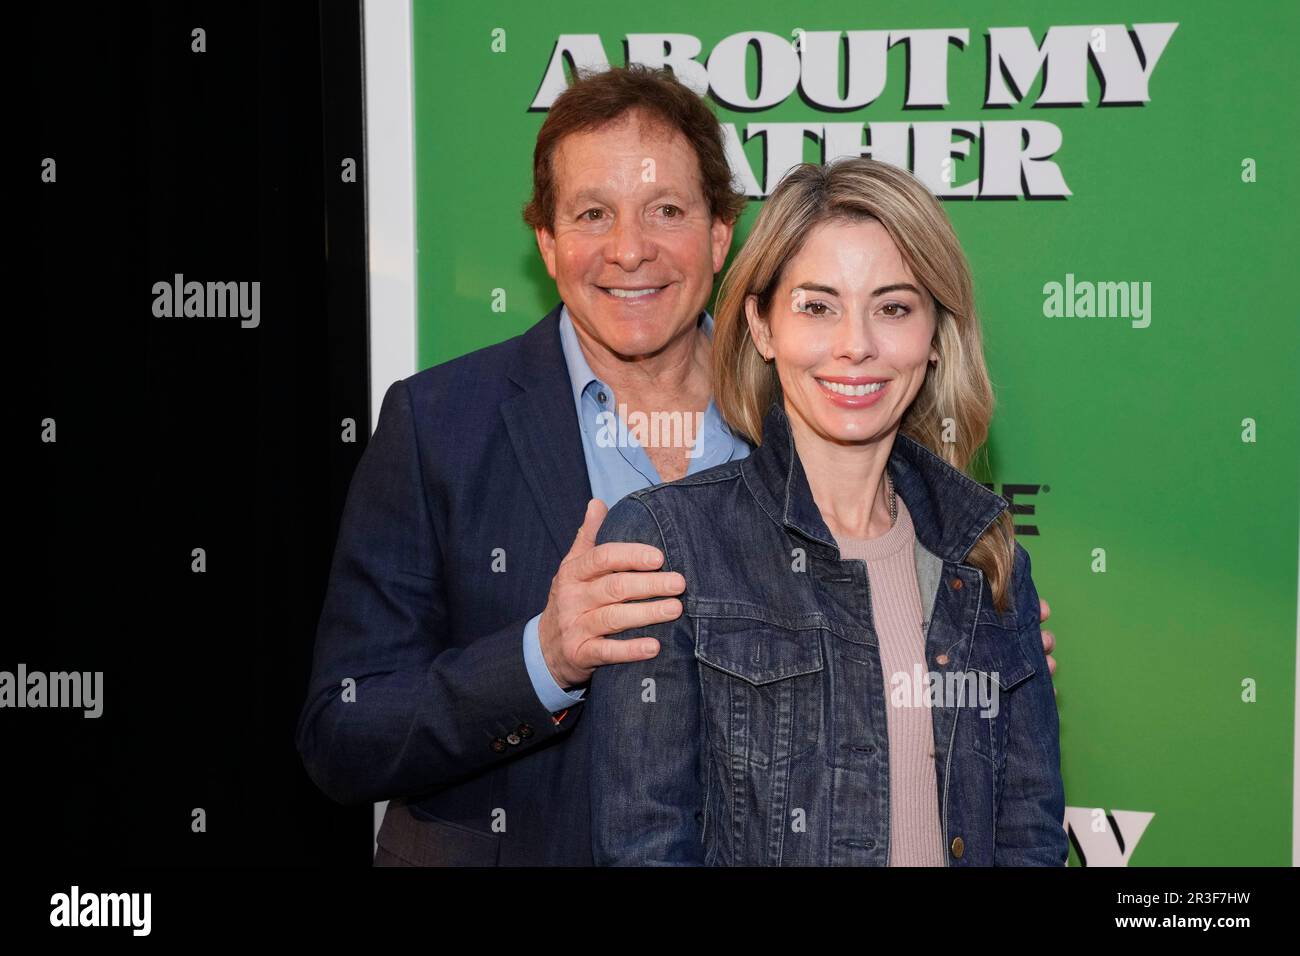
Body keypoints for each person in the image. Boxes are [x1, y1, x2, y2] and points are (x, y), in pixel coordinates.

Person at [295, 66, 1059, 866]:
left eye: (666, 211)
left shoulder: (823, 413)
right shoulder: (439, 424)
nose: (631, 250)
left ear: (721, 234)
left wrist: (963, 659)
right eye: (593, 214)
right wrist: (543, 658)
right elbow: (341, 734)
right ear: (547, 244)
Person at [583, 157, 1068, 865]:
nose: (857, 345)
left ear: (935, 337)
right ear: (762, 324)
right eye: (818, 305)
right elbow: (645, 846)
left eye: (895, 307)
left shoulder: (986, 558)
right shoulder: (670, 547)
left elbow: (1029, 837)